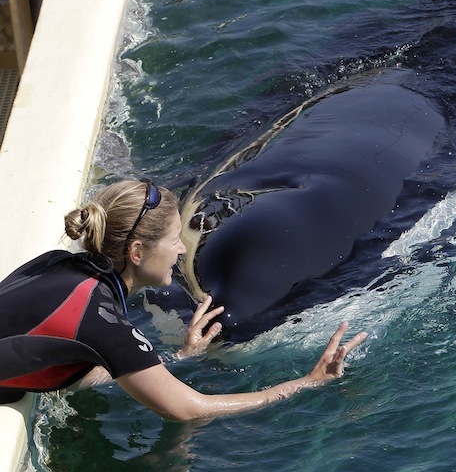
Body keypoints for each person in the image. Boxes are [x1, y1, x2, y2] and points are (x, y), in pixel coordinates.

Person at [0, 179, 367, 421]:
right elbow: (189, 409)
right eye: (174, 239)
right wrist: (306, 383)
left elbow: (75, 357)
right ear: (137, 252)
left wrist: (180, 356)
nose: (181, 250)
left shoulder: (57, 264)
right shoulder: (101, 321)